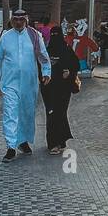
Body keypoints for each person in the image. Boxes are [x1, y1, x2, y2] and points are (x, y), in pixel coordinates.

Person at [0, 10, 51, 162]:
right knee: (10, 113)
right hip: (10, 83)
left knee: (26, 113)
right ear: (12, 20)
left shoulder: (35, 36)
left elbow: (43, 56)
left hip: (29, 83)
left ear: (26, 20)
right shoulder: (5, 37)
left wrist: (46, 72)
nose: (18, 22)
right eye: (15, 20)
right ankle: (11, 147)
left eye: (21, 20)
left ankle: (22, 141)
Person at [39, 23, 80, 155]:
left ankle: (61, 140)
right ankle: (52, 143)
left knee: (61, 114)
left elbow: (75, 65)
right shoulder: (46, 51)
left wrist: (69, 73)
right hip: (49, 89)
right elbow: (40, 68)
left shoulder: (67, 50)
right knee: (51, 114)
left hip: (64, 89)